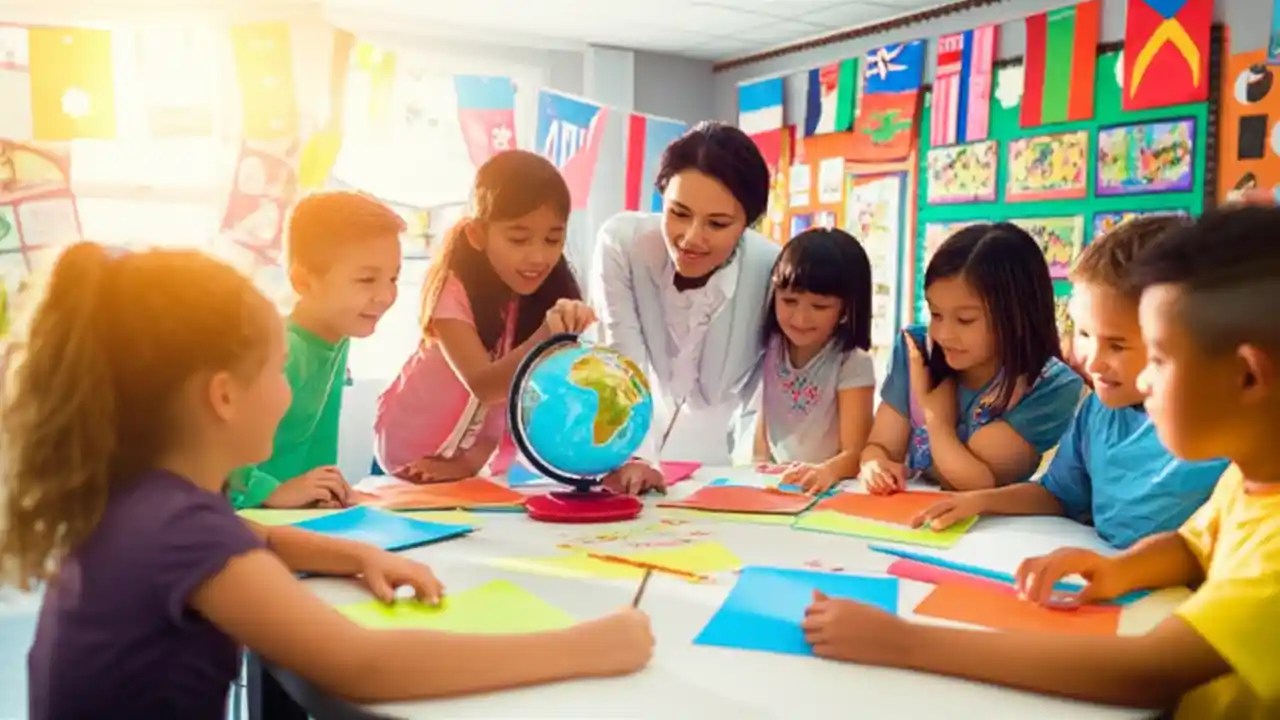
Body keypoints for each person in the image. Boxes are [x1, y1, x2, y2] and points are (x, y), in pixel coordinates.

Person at [3, 244, 653, 719]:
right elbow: (362, 666)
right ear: (223, 397)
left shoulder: (140, 496)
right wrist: (583, 646)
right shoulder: (179, 527)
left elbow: (249, 533)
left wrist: (352, 553)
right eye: (279, 371)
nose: (290, 391)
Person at [801, 207, 1280, 718]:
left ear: (1247, 376)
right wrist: (1118, 570)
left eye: (1157, 360)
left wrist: (903, 643)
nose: (1142, 381)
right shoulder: (1247, 476)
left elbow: (1148, 673)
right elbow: (1194, 544)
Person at [913, 216, 1227, 549]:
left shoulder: (1230, 432)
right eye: (1084, 334)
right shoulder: (1098, 410)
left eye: (1117, 345)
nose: (1091, 361)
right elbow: (1057, 494)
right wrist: (980, 502)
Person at [375, 150, 595, 482]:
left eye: (553, 239)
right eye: (519, 239)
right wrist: (547, 334)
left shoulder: (544, 297)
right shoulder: (453, 289)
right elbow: (485, 386)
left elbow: (505, 407)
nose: (538, 256)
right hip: (399, 462)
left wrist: (465, 467)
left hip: (463, 471)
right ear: (478, 235)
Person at [590, 121, 779, 493]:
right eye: (678, 213)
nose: (692, 238)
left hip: (724, 469)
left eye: (718, 224)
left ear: (748, 224)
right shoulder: (622, 245)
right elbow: (622, 355)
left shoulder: (771, 269)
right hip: (623, 445)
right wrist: (635, 457)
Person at [859, 223, 1083, 493]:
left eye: (965, 320)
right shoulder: (915, 349)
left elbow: (972, 482)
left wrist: (936, 419)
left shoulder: (1050, 385)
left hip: (994, 528)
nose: (943, 334)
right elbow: (881, 446)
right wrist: (874, 464)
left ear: (1016, 316)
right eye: (935, 314)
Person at [227, 191, 404, 509]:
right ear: (304, 282)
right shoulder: (283, 350)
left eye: (393, 278)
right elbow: (221, 441)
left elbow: (315, 445)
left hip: (296, 517)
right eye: (367, 279)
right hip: (245, 517)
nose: (386, 295)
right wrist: (267, 492)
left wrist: (327, 492)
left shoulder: (335, 339)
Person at [753, 228, 875, 495]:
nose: (800, 319)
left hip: (832, 488)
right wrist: (759, 463)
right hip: (783, 485)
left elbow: (856, 452)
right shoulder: (772, 346)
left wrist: (825, 472)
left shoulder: (852, 362)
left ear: (847, 309)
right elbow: (765, 417)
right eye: (789, 301)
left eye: (819, 307)